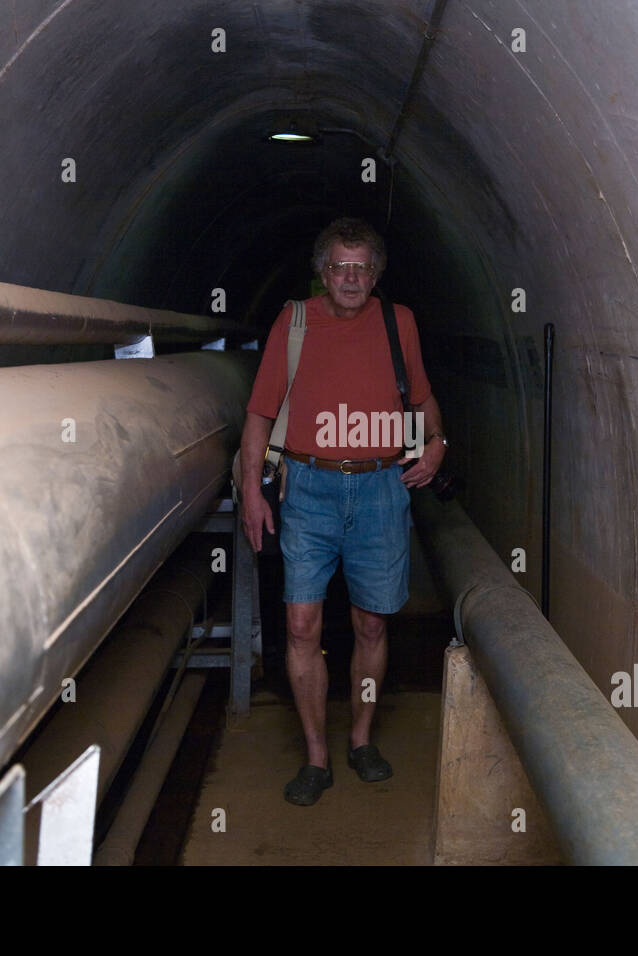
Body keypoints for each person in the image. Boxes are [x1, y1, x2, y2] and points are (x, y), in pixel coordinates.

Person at [239, 217, 447, 806]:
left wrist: (437, 444)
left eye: (361, 267)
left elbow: (423, 399)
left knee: (371, 623)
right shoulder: (295, 320)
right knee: (301, 624)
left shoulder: (397, 321)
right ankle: (315, 756)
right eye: (340, 266)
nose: (351, 277)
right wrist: (252, 490)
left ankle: (360, 740)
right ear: (322, 273)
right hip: (308, 489)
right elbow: (260, 411)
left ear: (375, 274)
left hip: (382, 490)